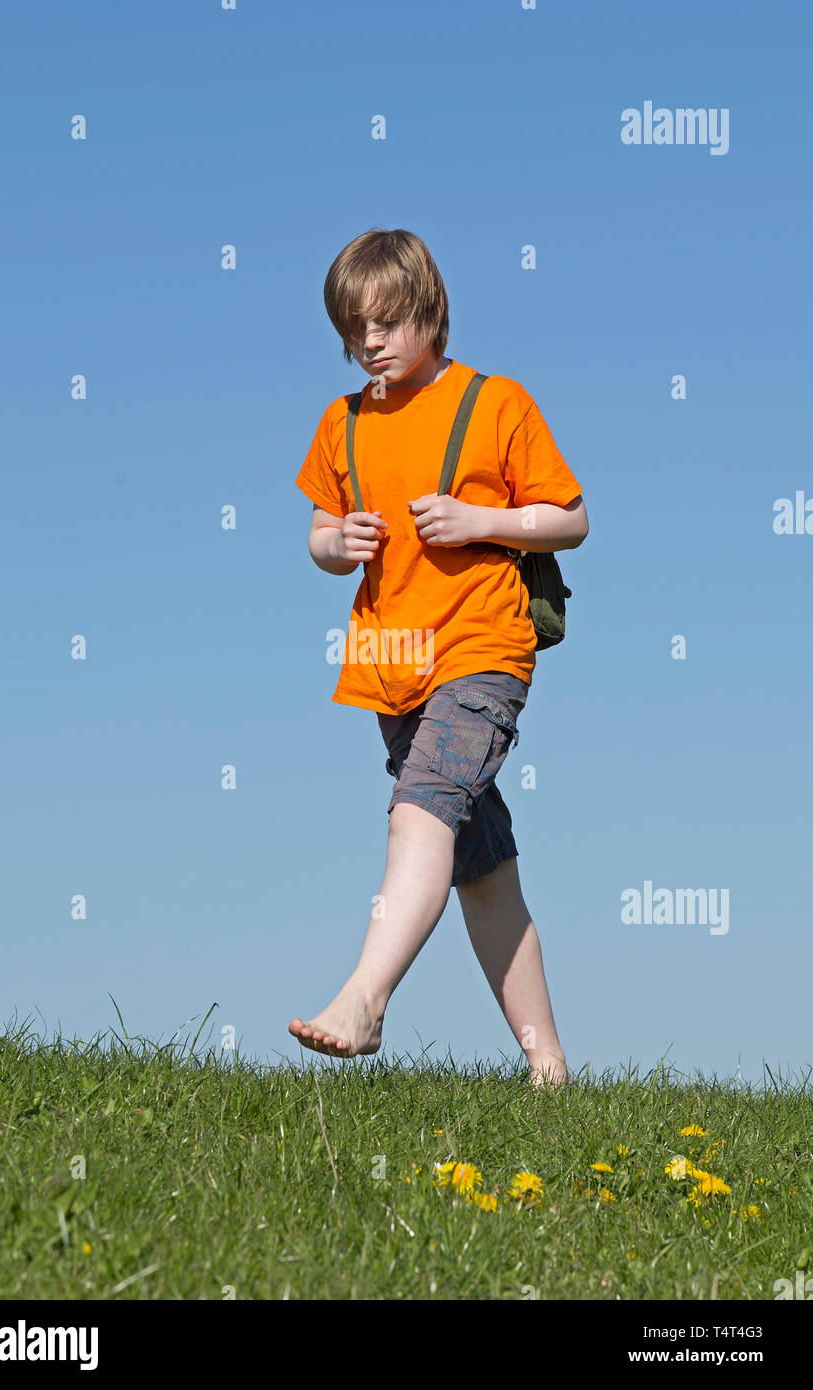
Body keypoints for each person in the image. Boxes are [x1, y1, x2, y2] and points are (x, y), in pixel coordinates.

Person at [289, 228, 588, 1086]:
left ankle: (366, 1000)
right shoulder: (340, 423)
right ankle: (549, 1066)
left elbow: (569, 516)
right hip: (393, 665)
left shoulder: (496, 403)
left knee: (418, 811)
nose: (369, 342)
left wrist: (480, 521)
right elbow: (317, 533)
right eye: (353, 330)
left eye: (384, 321)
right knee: (480, 864)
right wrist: (335, 543)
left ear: (428, 310)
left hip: (482, 647)